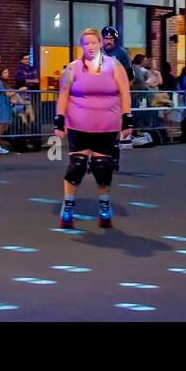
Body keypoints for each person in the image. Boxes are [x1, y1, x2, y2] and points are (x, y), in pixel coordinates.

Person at [55, 28, 132, 229]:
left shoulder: (114, 66)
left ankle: (104, 207)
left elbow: (125, 93)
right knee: (77, 166)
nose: (89, 47)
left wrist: (127, 119)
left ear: (99, 44)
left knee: (102, 168)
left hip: (106, 125)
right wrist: (59, 120)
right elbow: (63, 95)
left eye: (93, 43)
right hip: (79, 124)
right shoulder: (72, 69)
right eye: (85, 44)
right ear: (81, 46)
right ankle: (68, 206)